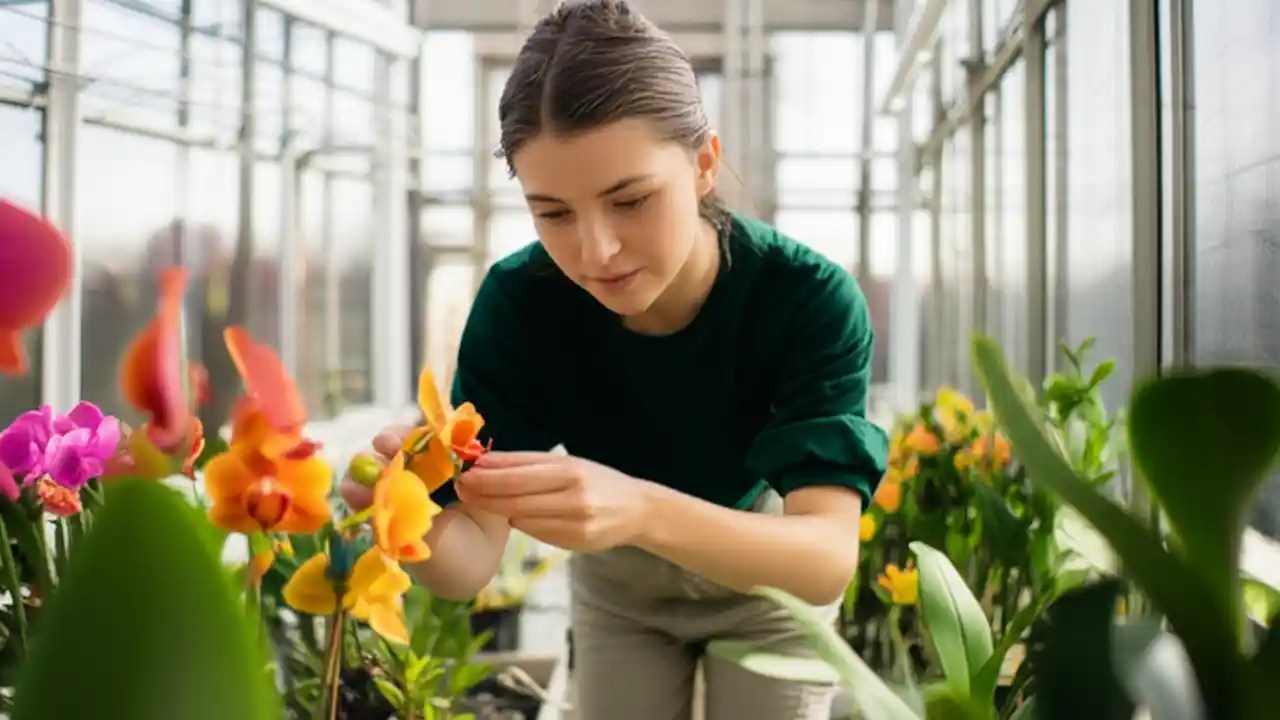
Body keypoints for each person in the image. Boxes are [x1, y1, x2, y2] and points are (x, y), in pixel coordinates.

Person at [342, 1, 888, 717]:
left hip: (767, 578)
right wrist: (401, 515)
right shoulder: (521, 305)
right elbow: (472, 560)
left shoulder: (805, 298)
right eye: (554, 214)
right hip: (621, 593)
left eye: (630, 201)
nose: (595, 252)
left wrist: (637, 510)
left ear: (703, 164)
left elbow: (823, 559)